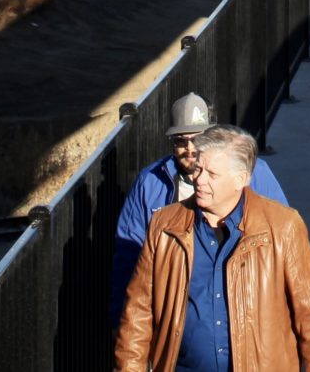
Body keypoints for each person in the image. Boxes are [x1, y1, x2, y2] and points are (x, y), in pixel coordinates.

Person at [115, 124, 310, 372]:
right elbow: (137, 316)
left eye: (212, 174)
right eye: (199, 169)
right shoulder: (165, 227)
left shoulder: (283, 227)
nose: (199, 179)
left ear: (241, 179)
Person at [111, 94, 290, 312]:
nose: (190, 148)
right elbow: (129, 254)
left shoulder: (255, 173)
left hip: (245, 307)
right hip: (176, 311)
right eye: (180, 140)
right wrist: (122, 320)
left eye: (197, 139)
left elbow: (286, 237)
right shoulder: (150, 182)